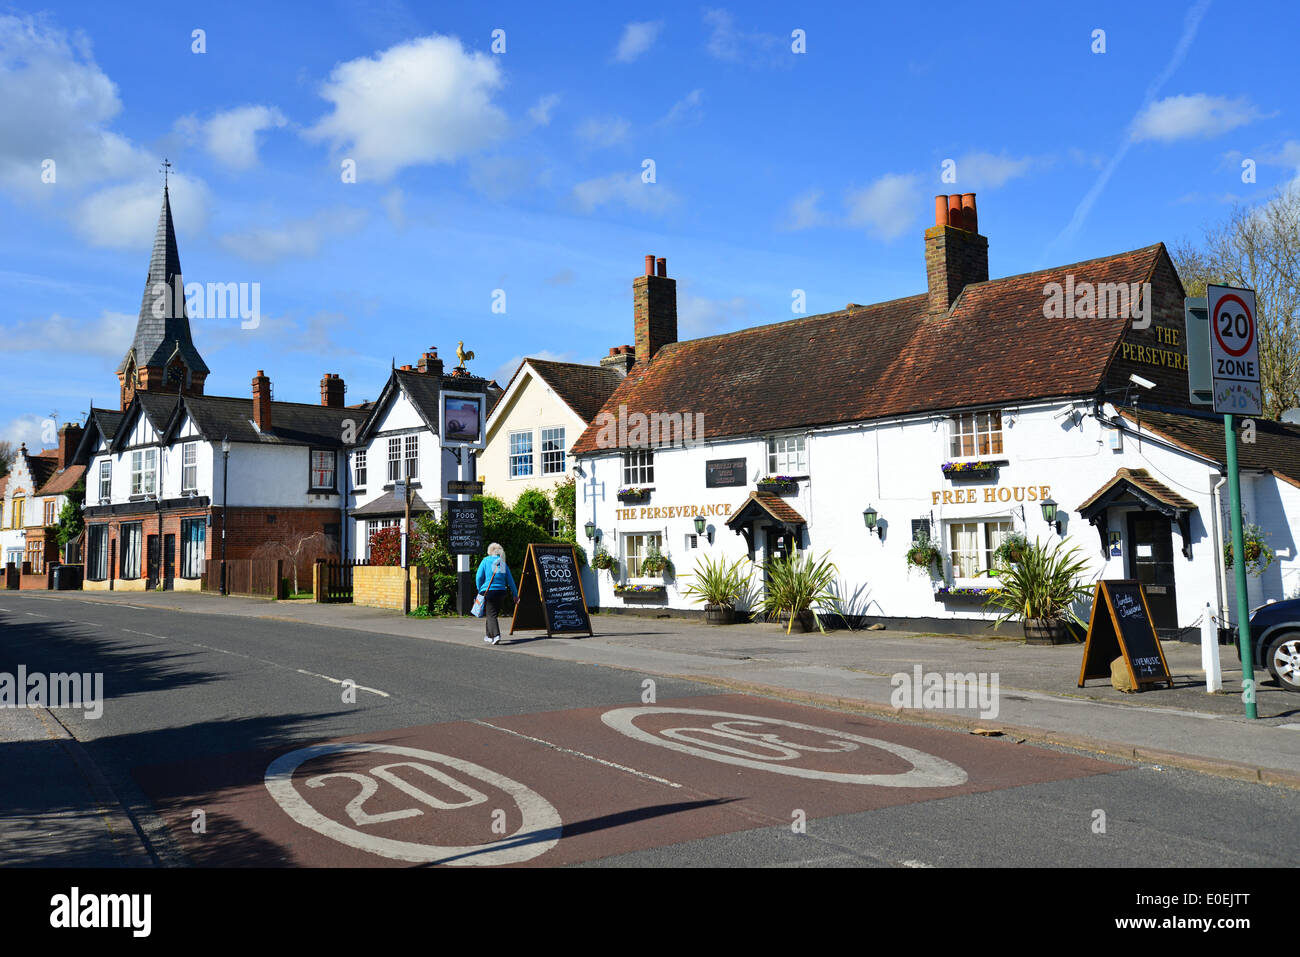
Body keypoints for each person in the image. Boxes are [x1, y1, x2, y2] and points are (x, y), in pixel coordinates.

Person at [475, 543, 518, 645]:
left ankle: (496, 635)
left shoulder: (485, 561)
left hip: (489, 591)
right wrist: (515, 594)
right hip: (501, 591)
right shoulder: (502, 563)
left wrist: (479, 589)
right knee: (491, 613)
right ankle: (488, 635)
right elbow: (510, 580)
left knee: (491, 614)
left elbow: (479, 576)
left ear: (490, 551)